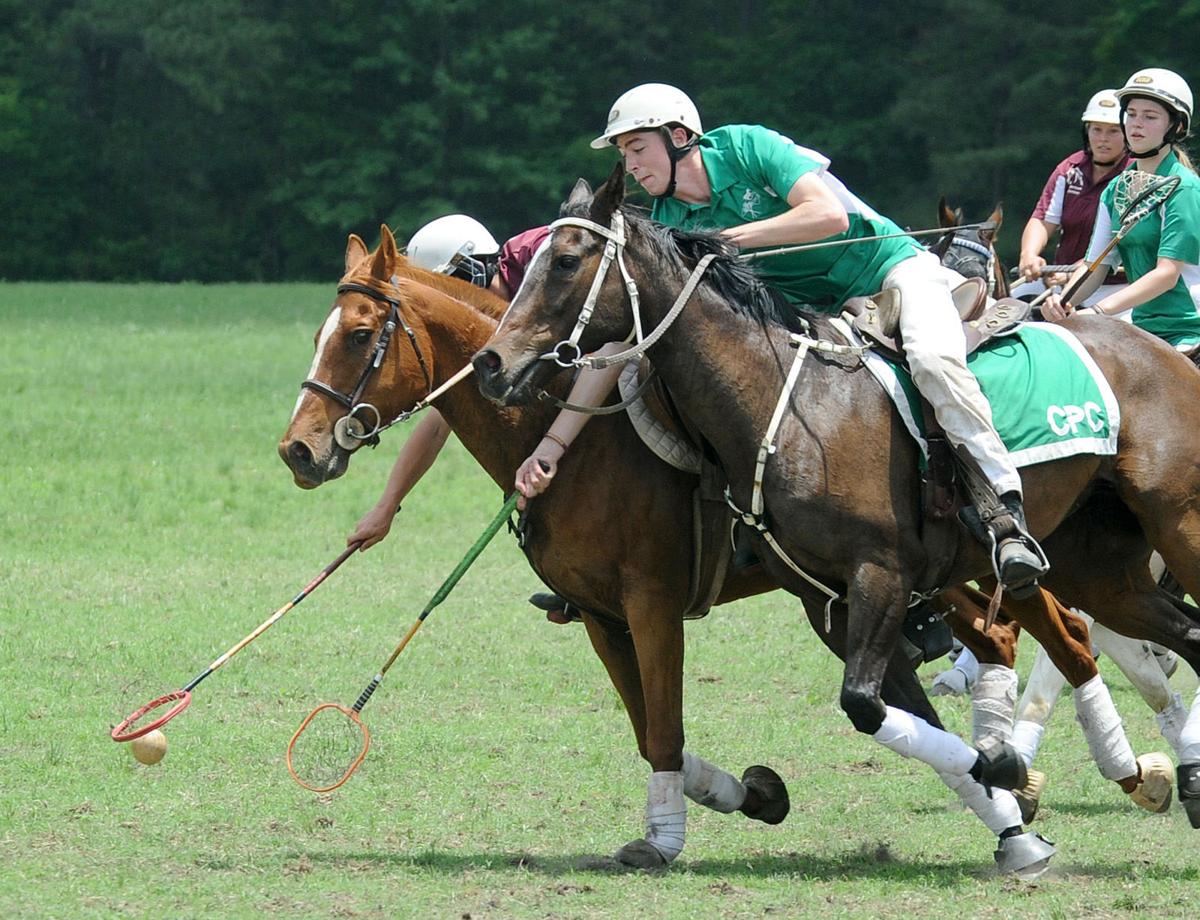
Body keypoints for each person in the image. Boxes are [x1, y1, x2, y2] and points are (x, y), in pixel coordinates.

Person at [515, 83, 1047, 592]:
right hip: (809, 313)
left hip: (888, 273)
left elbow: (827, 214)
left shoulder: (748, 146)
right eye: (624, 155)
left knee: (932, 360)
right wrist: (552, 446)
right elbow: (619, 348)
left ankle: (1005, 509)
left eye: (637, 148)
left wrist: (724, 240)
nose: (630, 166)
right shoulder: (667, 220)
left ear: (679, 138)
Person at [347, 215, 549, 551]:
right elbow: (438, 424)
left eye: (452, 287)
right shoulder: (474, 345)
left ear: (474, 271)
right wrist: (386, 508)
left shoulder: (534, 295)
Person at [1042, 68, 1200, 350]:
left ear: (1175, 127)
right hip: (1144, 330)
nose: (1136, 124)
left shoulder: (1185, 188)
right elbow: (1095, 265)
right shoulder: (1115, 189)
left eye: (1150, 117)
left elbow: (1167, 274)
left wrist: (1098, 312)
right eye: (1131, 114)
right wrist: (1063, 299)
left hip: (1189, 333)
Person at [1013, 89, 1130, 306]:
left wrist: (1074, 273)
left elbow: (1126, 241)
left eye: (1113, 131)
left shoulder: (1135, 176)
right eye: (1097, 129)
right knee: (1004, 307)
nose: (1103, 139)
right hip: (1060, 281)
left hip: (1115, 288)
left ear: (1128, 133)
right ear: (1087, 131)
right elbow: (1042, 219)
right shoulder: (1069, 169)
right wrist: (1028, 254)